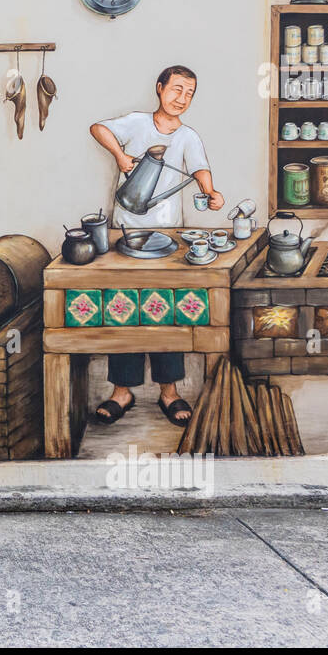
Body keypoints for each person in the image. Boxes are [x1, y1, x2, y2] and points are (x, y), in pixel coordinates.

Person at [88, 65, 223, 427]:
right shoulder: (136, 123)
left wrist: (210, 193)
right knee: (124, 308)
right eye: (176, 89)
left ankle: (169, 391)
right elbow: (98, 128)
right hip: (127, 232)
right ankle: (122, 392)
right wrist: (119, 155)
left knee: (167, 310)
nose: (182, 98)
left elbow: (200, 169)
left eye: (189, 93)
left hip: (169, 237)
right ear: (160, 88)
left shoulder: (188, 137)